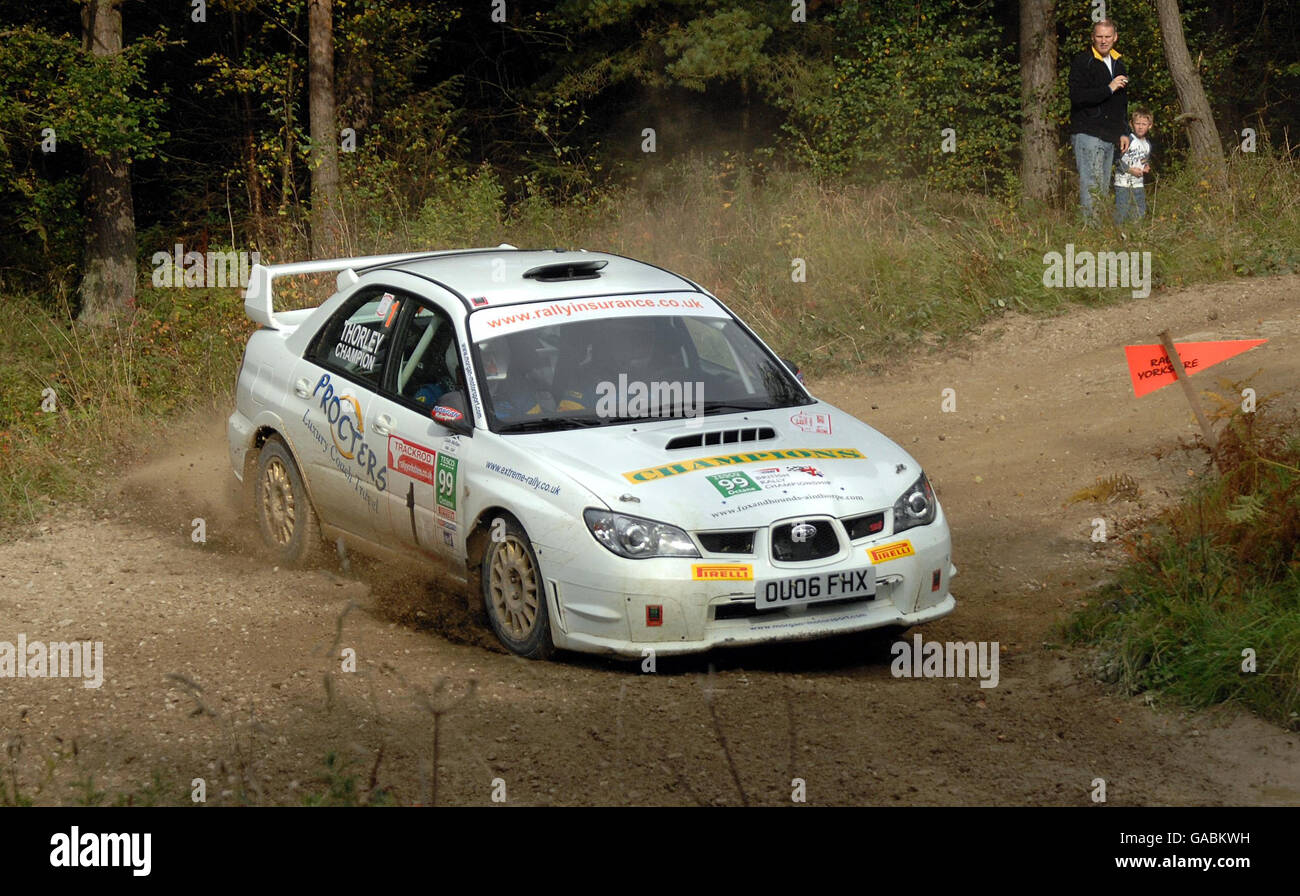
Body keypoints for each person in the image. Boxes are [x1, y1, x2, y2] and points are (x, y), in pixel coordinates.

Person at [1069, 19, 1131, 221]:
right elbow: (1077, 96)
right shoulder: (1083, 61)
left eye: (1107, 36)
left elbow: (1121, 102)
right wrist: (1108, 88)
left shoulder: (1118, 62)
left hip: (1110, 134)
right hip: (1088, 132)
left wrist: (1123, 131)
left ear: (1115, 37)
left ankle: (1098, 234)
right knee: (1091, 185)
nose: (1103, 41)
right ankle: (1089, 232)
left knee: (1103, 187)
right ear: (1092, 38)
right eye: (1099, 36)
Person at [1114, 109, 1154, 226]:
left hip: (1138, 184)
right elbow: (1116, 159)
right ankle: (1119, 234)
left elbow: (1144, 160)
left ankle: (1134, 236)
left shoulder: (1147, 144)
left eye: (1144, 124)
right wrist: (1130, 170)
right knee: (1122, 212)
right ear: (1132, 124)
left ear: (1149, 126)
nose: (1140, 127)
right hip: (1123, 183)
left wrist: (1146, 166)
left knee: (1139, 211)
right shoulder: (1129, 139)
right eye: (1137, 124)